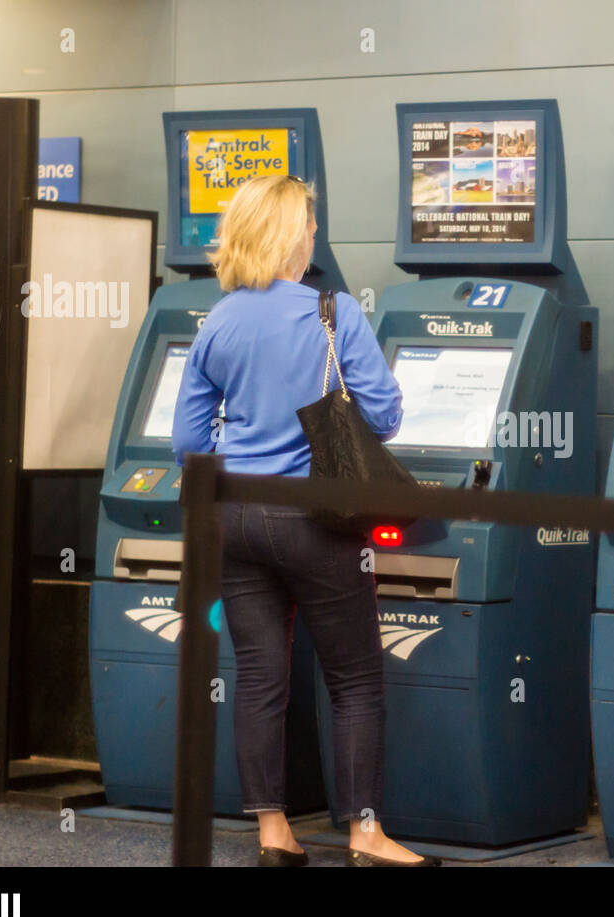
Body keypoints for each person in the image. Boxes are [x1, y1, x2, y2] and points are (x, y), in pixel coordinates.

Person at [172, 174, 437, 867]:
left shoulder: (218, 320)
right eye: (310, 226)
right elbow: (383, 414)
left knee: (260, 674)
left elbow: (187, 441)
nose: (314, 236)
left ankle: (273, 834)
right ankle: (365, 835)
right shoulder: (332, 310)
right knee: (353, 680)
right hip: (315, 519)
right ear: (295, 235)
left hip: (236, 520)